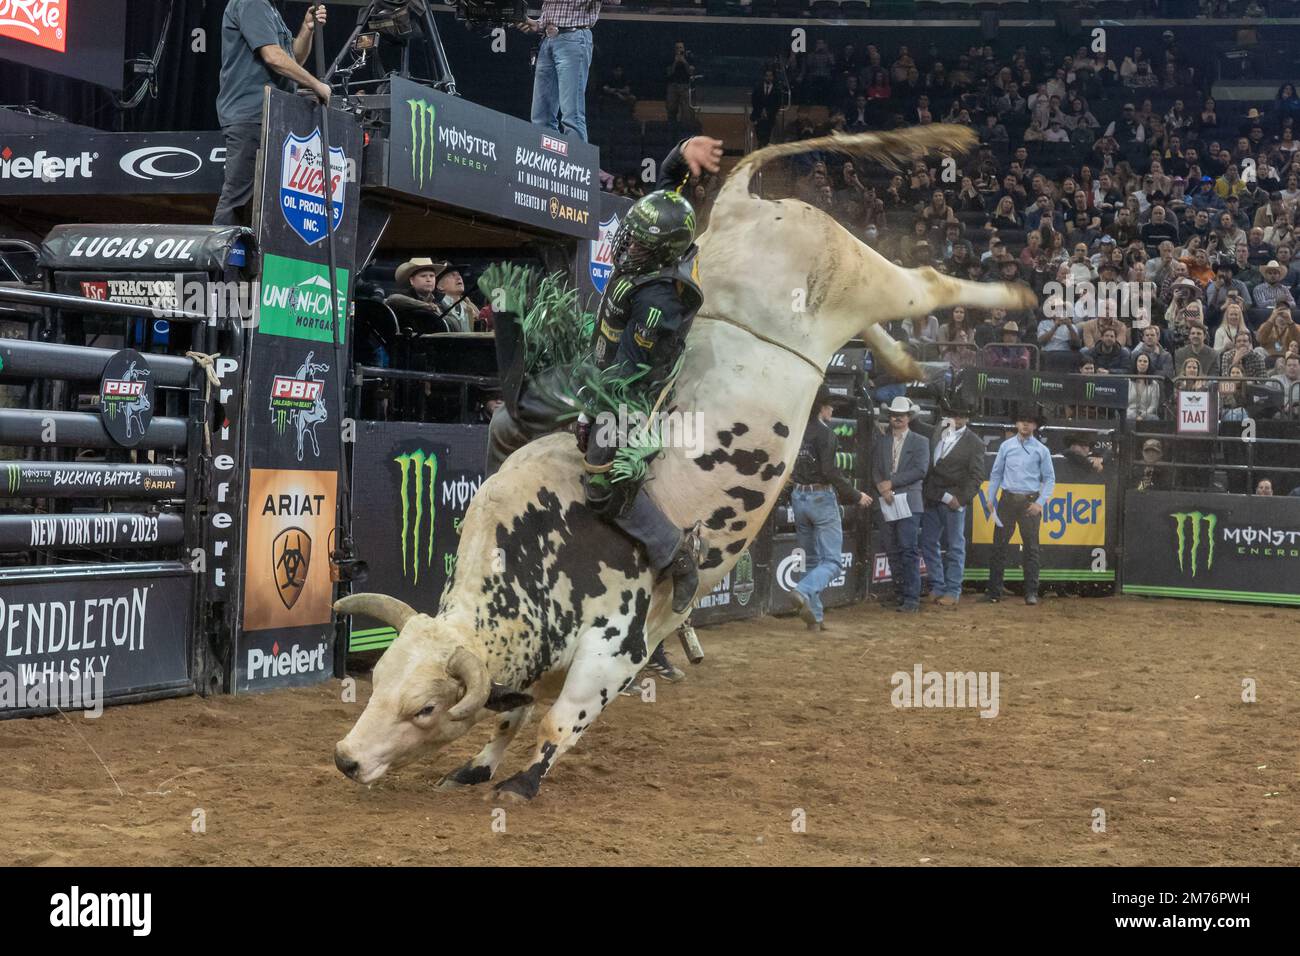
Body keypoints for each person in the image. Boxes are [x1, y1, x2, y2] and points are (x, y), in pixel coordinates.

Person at [214, 1, 330, 225]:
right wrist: (317, 85)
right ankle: (221, 258)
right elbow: (273, 57)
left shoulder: (270, 8)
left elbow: (292, 58)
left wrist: (307, 29)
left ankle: (254, 257)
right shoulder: (252, 2)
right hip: (252, 114)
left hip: (274, 117)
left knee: (267, 200)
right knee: (239, 198)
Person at [788, 385, 873, 632]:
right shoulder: (826, 434)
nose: (833, 408)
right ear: (822, 408)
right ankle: (803, 590)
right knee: (832, 562)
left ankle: (815, 617)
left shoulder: (797, 431)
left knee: (813, 559)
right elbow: (829, 471)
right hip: (820, 497)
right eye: (830, 404)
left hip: (799, 497)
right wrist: (855, 494)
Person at [918, 395, 986, 608]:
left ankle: (953, 590)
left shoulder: (974, 442)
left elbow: (977, 476)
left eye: (962, 416)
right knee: (929, 542)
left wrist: (963, 499)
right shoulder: (940, 429)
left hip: (953, 499)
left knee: (955, 545)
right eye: (954, 415)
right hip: (933, 495)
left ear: (967, 418)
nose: (957, 419)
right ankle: (938, 586)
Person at [984, 404, 1054, 606]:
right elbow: (996, 473)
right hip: (1007, 500)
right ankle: (994, 592)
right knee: (999, 547)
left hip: (1029, 502)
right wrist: (991, 497)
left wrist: (1040, 503)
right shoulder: (1006, 447)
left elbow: (1049, 479)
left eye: (1029, 422)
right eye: (1022, 421)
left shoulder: (1042, 450)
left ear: (1034, 426)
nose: (1025, 425)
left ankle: (1031, 592)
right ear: (1016, 424)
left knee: (1031, 548)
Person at [871, 396, 929, 613]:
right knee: (893, 549)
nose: (897, 418)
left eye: (901, 415)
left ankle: (911, 597)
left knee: (907, 549)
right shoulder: (882, 442)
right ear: (891, 417)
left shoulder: (920, 441)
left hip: (908, 500)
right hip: (889, 499)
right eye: (895, 415)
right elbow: (875, 468)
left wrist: (889, 484)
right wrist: (882, 487)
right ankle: (901, 594)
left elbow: (921, 470)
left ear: (909, 417)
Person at [518, 0, 605, 144]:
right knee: (541, 116)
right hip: (547, 39)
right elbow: (555, 10)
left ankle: (578, 164)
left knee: (572, 116)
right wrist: (539, 24)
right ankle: (547, 163)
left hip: (574, 36)